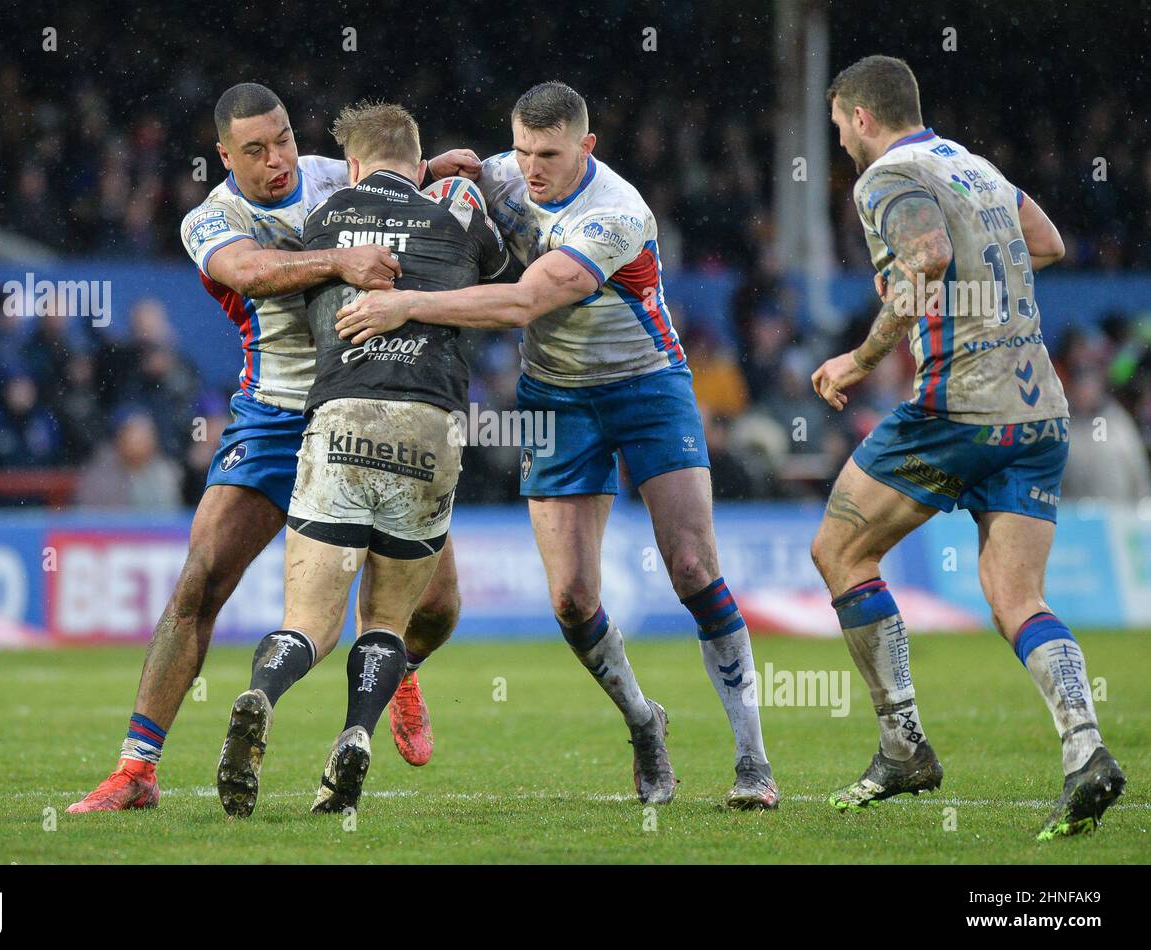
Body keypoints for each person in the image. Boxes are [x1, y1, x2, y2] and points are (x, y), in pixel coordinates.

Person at [335, 82, 777, 809]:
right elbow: (416, 184)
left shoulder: (617, 213)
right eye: (523, 150)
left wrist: (406, 303)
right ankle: (644, 721)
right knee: (572, 599)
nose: (532, 168)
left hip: (647, 384)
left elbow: (521, 302)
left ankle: (753, 761)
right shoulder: (503, 175)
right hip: (556, 397)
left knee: (694, 566)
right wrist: (427, 170)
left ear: (587, 147)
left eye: (549, 153)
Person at [68, 83, 479, 813]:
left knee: (441, 606)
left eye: (284, 137)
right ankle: (136, 769)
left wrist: (436, 165)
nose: (277, 159)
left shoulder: (328, 172)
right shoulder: (211, 219)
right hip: (276, 414)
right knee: (200, 582)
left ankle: (394, 664)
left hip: (368, 406)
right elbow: (249, 271)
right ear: (224, 157)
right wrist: (340, 262)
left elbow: (396, 173)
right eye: (254, 150)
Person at [808, 55, 1124, 840]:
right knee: (1016, 597)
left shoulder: (882, 177)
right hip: (1038, 408)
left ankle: (903, 746)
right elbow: (1045, 241)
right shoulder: (974, 166)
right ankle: (1086, 750)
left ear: (863, 116)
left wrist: (859, 358)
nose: (840, 139)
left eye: (839, 123)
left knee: (839, 552)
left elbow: (928, 257)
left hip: (959, 407)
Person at [216, 101, 514, 816]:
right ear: (418, 166)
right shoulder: (459, 218)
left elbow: (272, 279)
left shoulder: (319, 225)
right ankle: (355, 733)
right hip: (430, 421)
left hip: (341, 412)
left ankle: (263, 692)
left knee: (310, 622)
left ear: (349, 168)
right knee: (384, 622)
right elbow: (500, 264)